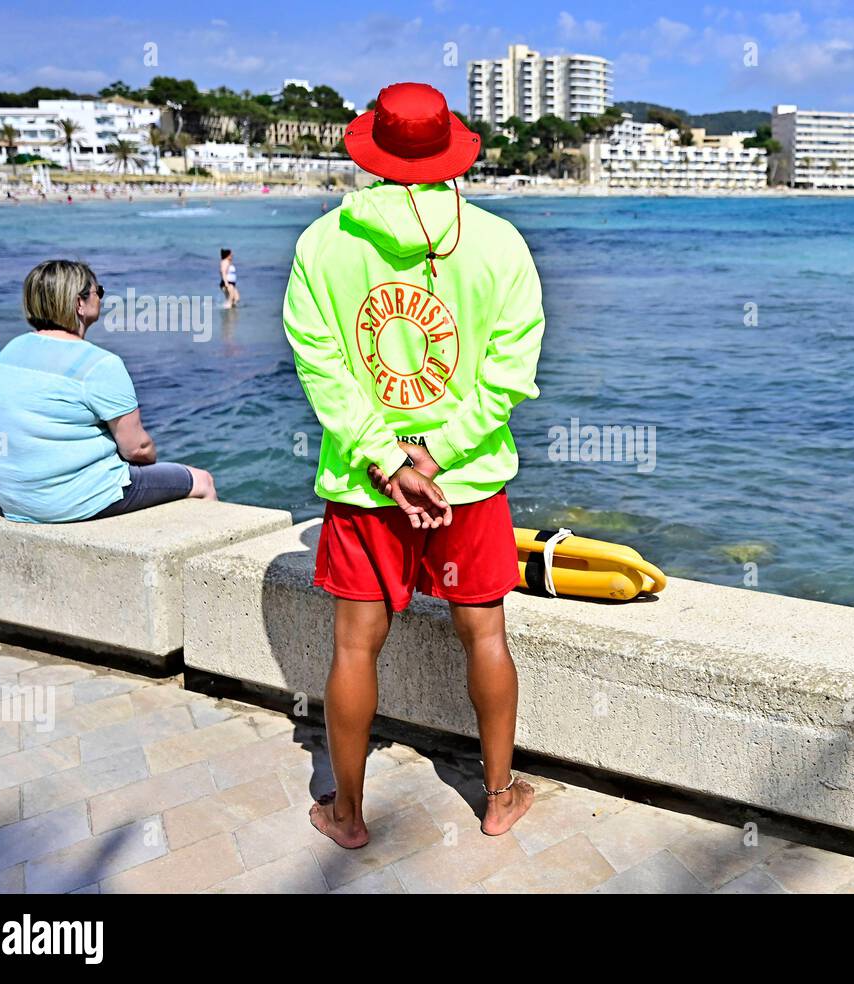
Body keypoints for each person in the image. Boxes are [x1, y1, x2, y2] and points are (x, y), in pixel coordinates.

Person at [283, 81, 545, 848]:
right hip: (467, 485)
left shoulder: (322, 243)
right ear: (449, 150)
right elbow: (508, 373)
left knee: (354, 645)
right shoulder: (498, 242)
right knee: (486, 638)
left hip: (367, 489)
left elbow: (323, 368)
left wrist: (389, 459)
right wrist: (434, 453)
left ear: (372, 148)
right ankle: (498, 798)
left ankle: (348, 813)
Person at [0, 260, 217, 523]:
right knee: (202, 481)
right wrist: (148, 459)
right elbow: (137, 448)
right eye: (98, 292)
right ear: (79, 303)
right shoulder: (99, 364)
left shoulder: (13, 349)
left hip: (11, 496)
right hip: (67, 501)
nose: (102, 298)